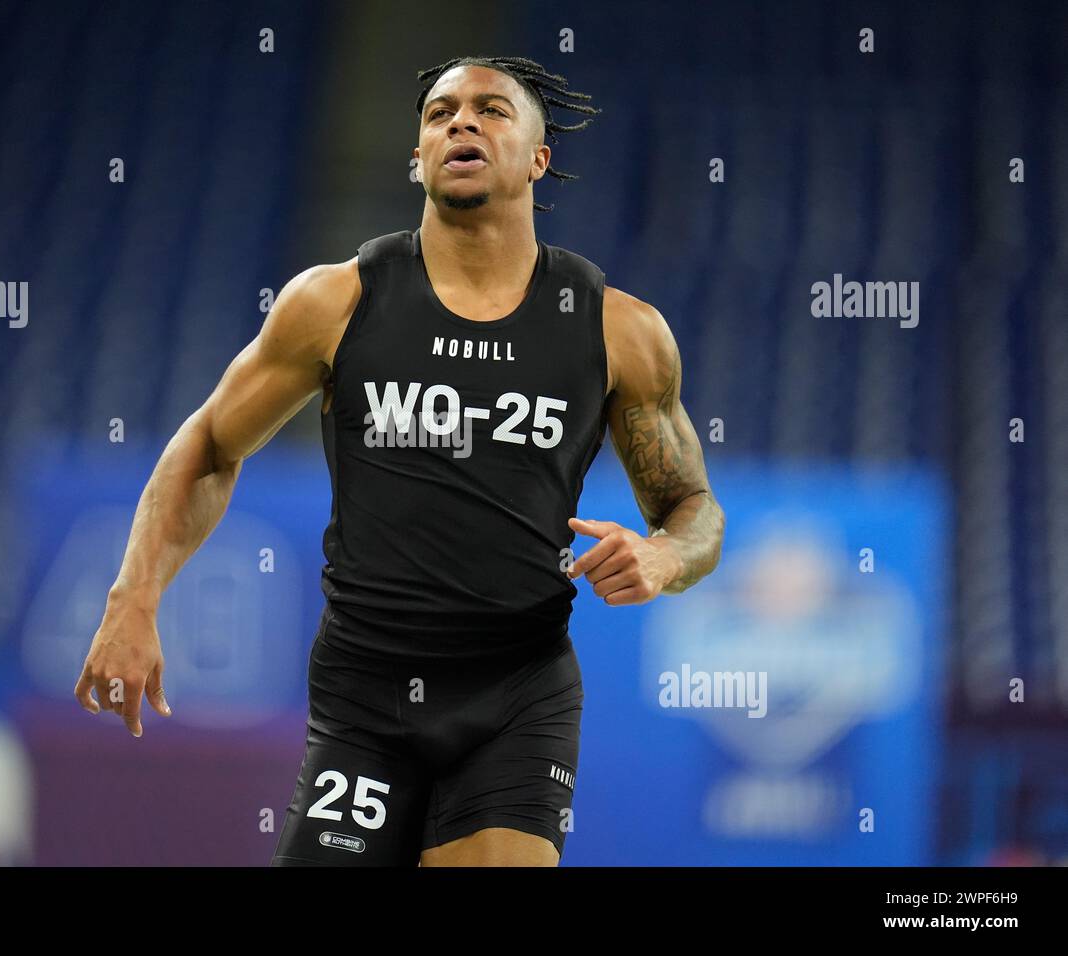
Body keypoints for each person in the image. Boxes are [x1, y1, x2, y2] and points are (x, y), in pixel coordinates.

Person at [74, 55, 724, 866]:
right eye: (441, 112)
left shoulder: (616, 330)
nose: (461, 122)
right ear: (418, 155)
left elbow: (695, 511)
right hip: (366, 692)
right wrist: (133, 597)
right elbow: (207, 446)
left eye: (491, 110)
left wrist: (663, 554)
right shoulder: (334, 303)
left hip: (517, 692)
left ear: (537, 157)